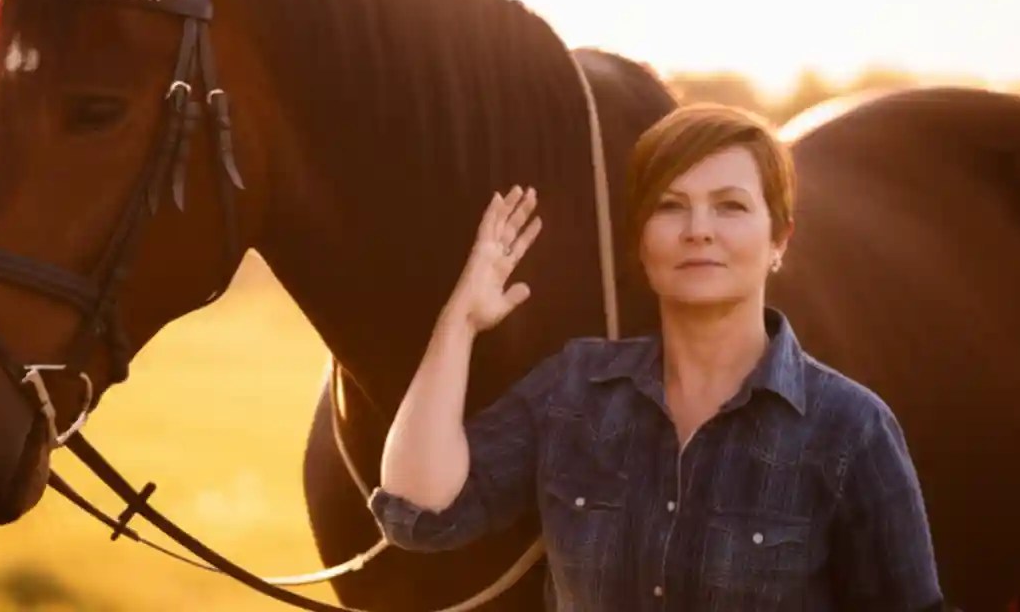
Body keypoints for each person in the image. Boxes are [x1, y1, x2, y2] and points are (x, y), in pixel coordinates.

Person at [367, 103, 946, 611]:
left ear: (779, 239)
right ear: (640, 242)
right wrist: (461, 320)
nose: (698, 230)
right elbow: (419, 512)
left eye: (730, 206)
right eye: (671, 206)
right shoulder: (573, 390)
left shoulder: (851, 428)